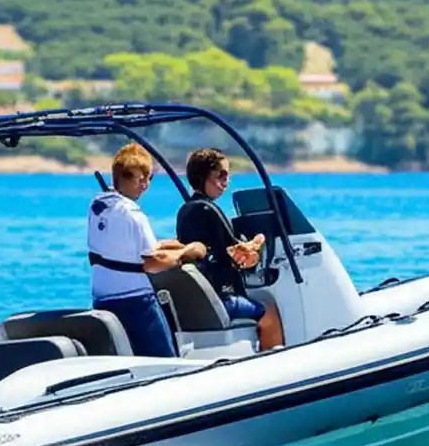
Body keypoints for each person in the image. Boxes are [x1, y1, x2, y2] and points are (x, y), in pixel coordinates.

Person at [88, 142, 206, 357]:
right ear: (140, 179)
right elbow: (153, 264)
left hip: (102, 297)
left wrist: (172, 244)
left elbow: (123, 249)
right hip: (135, 301)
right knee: (165, 358)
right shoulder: (133, 214)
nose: (146, 184)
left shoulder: (99, 206)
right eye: (146, 178)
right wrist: (188, 252)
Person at [176, 147, 284, 351]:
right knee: (269, 314)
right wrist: (259, 240)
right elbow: (240, 252)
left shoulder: (186, 210)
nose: (226, 181)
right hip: (222, 298)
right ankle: (273, 360)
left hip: (202, 297)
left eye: (228, 175)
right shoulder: (208, 209)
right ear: (203, 176)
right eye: (221, 175)